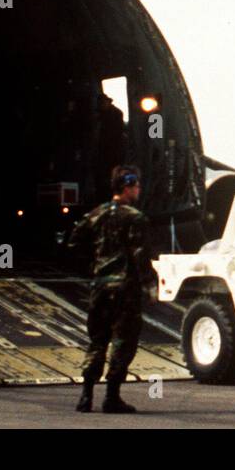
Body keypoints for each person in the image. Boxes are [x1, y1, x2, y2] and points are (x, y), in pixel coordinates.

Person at [68, 164, 152, 413]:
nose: (139, 189)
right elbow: (140, 256)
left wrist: (94, 266)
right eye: (136, 185)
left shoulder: (96, 214)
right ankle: (112, 396)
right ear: (127, 186)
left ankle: (86, 395)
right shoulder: (136, 218)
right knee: (123, 341)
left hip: (100, 287)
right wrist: (149, 285)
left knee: (97, 340)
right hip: (125, 289)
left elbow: (72, 242)